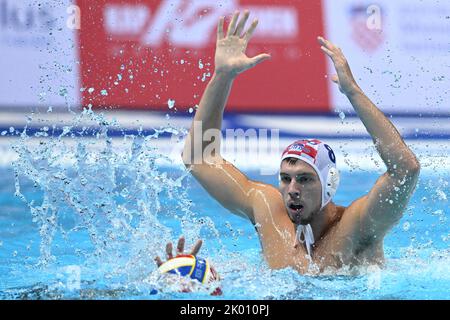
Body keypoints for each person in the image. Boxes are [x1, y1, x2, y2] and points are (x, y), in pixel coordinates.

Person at [180, 10, 420, 274]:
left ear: (329, 183)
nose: (292, 189)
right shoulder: (269, 213)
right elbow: (199, 158)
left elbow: (405, 170)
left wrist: (352, 92)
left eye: (305, 179)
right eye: (285, 178)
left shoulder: (357, 227)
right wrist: (221, 77)